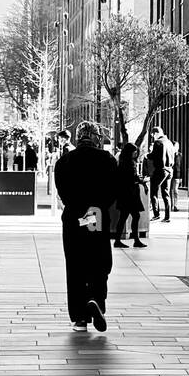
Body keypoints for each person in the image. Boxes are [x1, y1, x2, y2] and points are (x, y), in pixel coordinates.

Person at [55, 120, 119, 332]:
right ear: (96, 137)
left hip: (73, 217)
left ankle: (79, 318)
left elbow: (62, 192)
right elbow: (112, 191)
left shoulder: (64, 161)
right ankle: (95, 299)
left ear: (78, 136)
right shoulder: (106, 159)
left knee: (74, 265)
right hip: (95, 215)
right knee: (99, 260)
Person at [112, 142, 146, 249]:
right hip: (131, 194)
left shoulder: (121, 162)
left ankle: (119, 240)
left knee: (123, 217)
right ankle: (135, 240)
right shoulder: (130, 163)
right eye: (134, 152)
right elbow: (133, 177)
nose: (135, 153)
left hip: (124, 193)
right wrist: (142, 181)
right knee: (135, 216)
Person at [147, 125, 175, 222]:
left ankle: (156, 214)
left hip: (160, 170)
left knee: (153, 192)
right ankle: (167, 216)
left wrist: (149, 153)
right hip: (170, 169)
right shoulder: (170, 143)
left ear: (156, 133)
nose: (153, 137)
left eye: (153, 135)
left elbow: (154, 156)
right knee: (166, 193)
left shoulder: (158, 142)